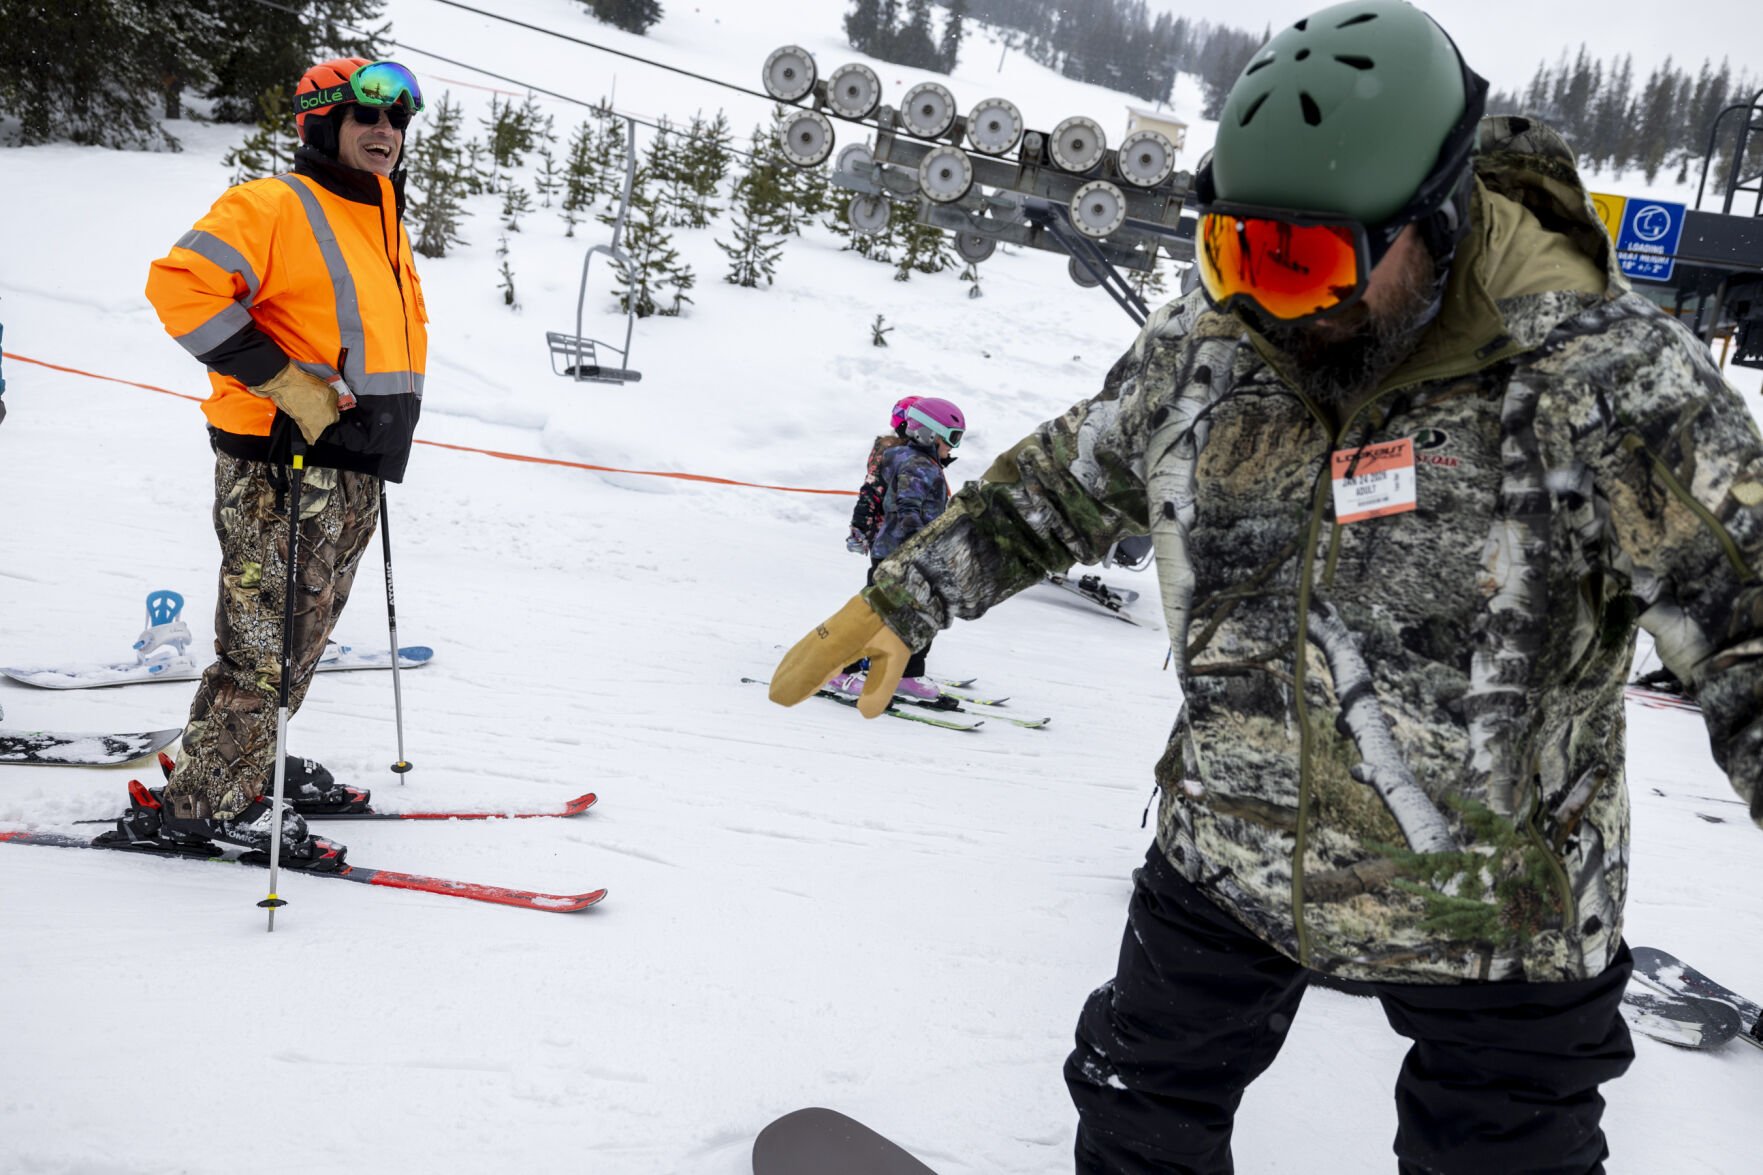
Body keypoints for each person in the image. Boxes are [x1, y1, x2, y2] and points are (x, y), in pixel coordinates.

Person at [769, 2, 1763, 1171]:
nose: (1256, 301)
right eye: (1232, 251)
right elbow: (1063, 479)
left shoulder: (1602, 379)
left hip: (1496, 907)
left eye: (1301, 261)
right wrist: (907, 592)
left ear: (1429, 222)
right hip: (1224, 857)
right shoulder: (1216, 344)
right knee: (1136, 1111)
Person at [117, 58, 430, 868]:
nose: (384, 134)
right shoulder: (273, 203)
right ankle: (203, 804)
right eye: (366, 119)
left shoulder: (381, 217)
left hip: (353, 461)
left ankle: (240, 759)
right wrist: (284, 382)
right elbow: (180, 288)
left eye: (396, 121)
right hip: (281, 462)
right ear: (322, 126)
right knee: (265, 642)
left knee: (301, 634)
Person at [826, 397, 965, 704]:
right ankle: (839, 669)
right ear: (930, 434)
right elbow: (908, 508)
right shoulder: (915, 464)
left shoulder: (925, 463)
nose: (954, 447)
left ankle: (907, 673)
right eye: (953, 438)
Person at [846, 395, 921, 556]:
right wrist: (859, 528)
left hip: (911, 533)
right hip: (887, 536)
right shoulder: (888, 454)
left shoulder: (918, 456)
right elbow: (870, 491)